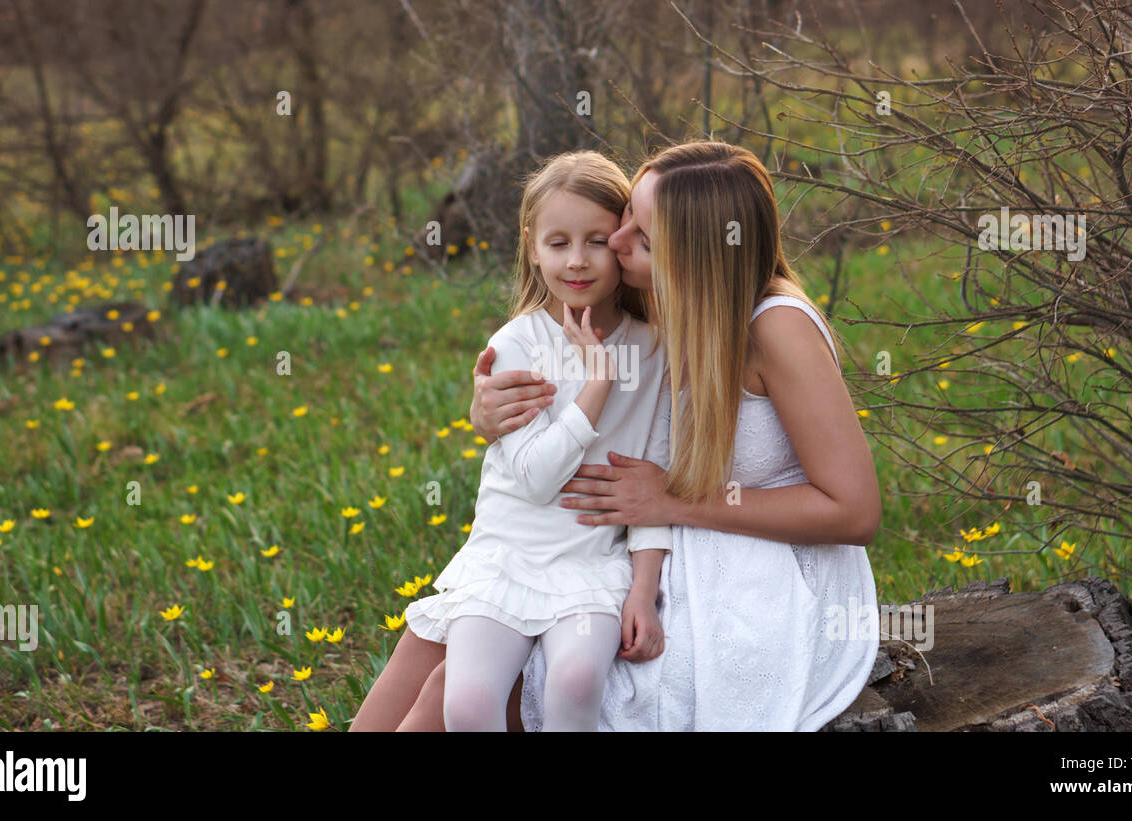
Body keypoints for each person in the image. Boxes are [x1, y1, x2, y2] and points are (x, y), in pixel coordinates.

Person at [350, 140, 881, 731]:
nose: (616, 241)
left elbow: (855, 511)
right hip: (645, 533)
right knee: (433, 647)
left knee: (457, 689)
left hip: (756, 565)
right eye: (627, 217)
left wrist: (674, 501)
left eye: (641, 237)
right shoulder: (674, 308)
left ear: (693, 257)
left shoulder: (777, 326)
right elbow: (578, 382)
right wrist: (493, 418)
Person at [399, 150, 673, 731]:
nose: (577, 261)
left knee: (576, 682)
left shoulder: (654, 350)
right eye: (558, 243)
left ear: (623, 240)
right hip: (508, 560)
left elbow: (656, 480)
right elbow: (537, 477)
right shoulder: (517, 344)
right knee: (469, 704)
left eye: (596, 240)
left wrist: (644, 590)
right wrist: (595, 384)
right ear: (531, 245)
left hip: (591, 566)